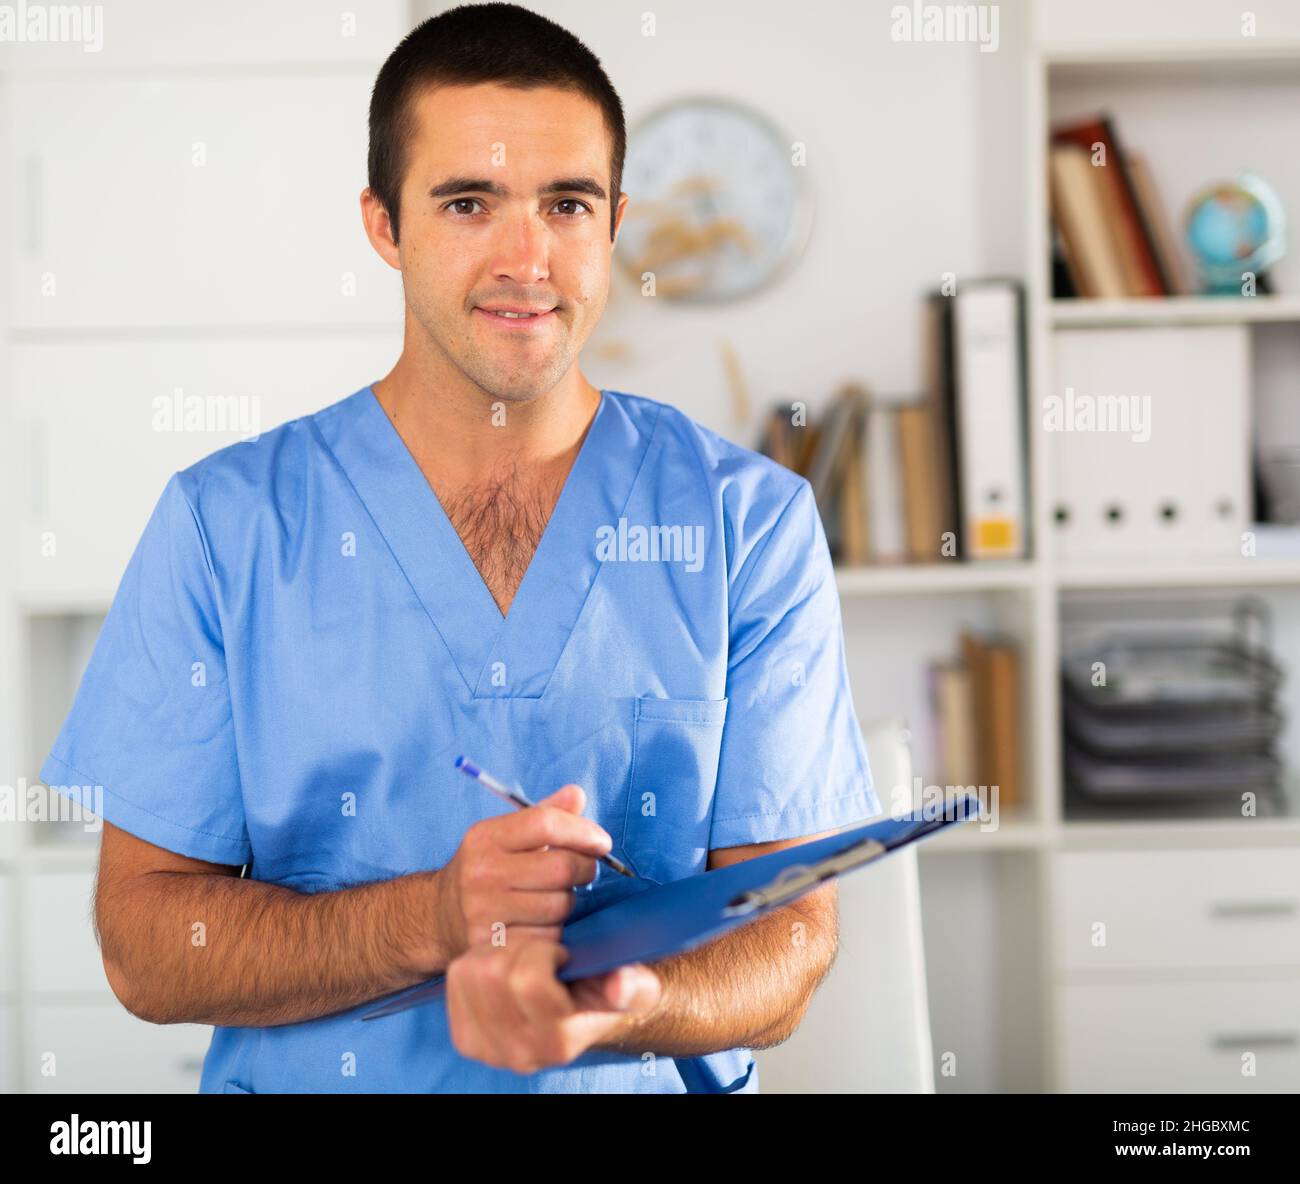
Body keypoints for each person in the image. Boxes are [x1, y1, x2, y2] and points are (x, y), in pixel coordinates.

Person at [41, 2, 878, 1093]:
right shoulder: (227, 526)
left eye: (566, 203)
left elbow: (792, 935)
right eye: (468, 202)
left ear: (614, 221)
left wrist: (624, 1005)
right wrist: (435, 916)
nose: (526, 258)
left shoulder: (748, 527)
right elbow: (144, 947)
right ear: (384, 224)